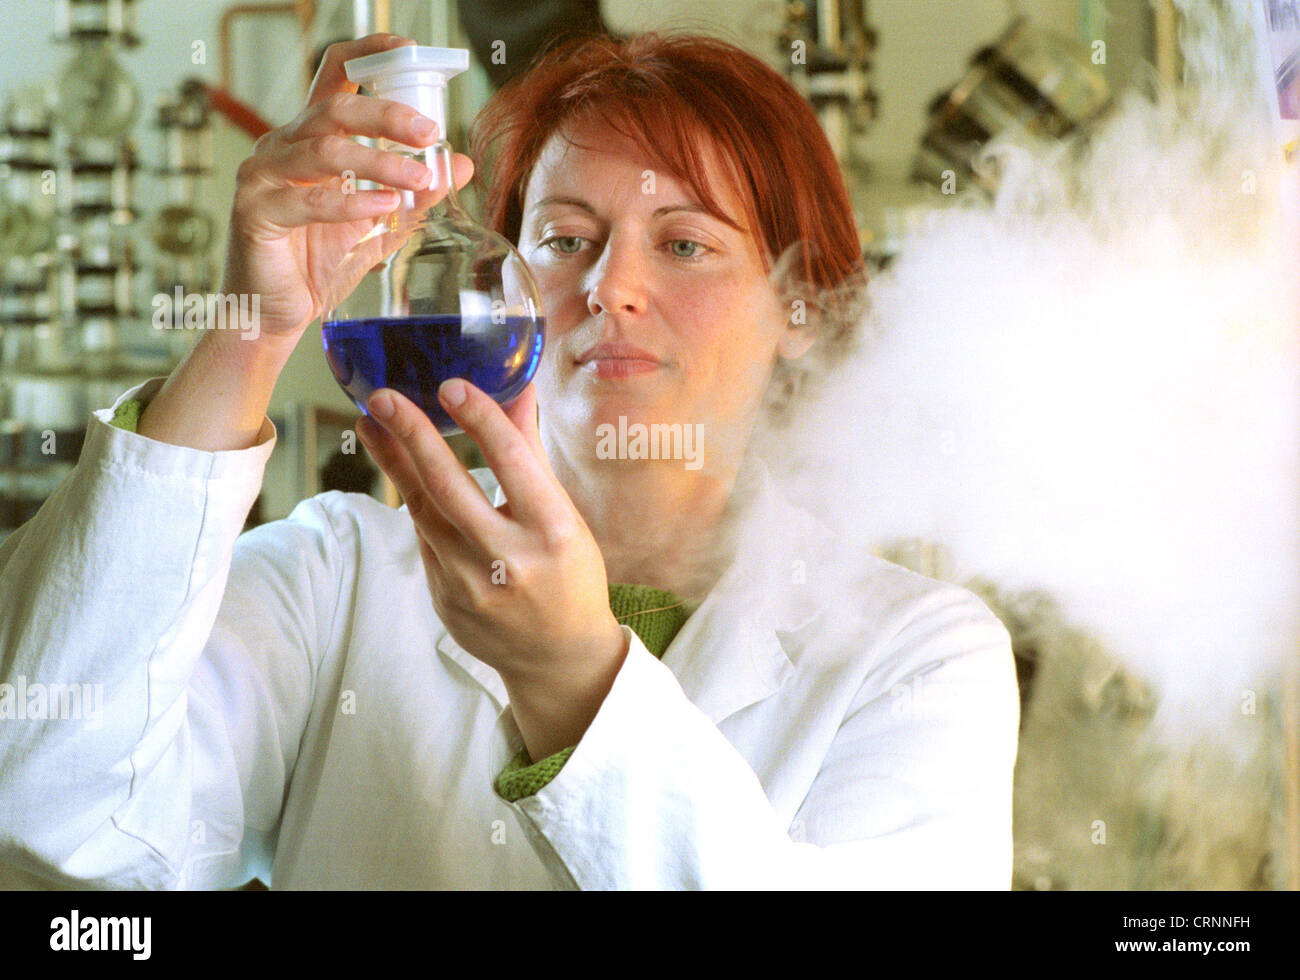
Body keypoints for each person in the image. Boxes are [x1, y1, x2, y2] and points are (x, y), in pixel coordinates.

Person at [0, 32, 1019, 889]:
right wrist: (251, 330)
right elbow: (54, 815)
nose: (612, 286)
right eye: (567, 238)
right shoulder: (342, 575)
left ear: (801, 305)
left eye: (684, 244)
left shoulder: (916, 653)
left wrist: (572, 673)